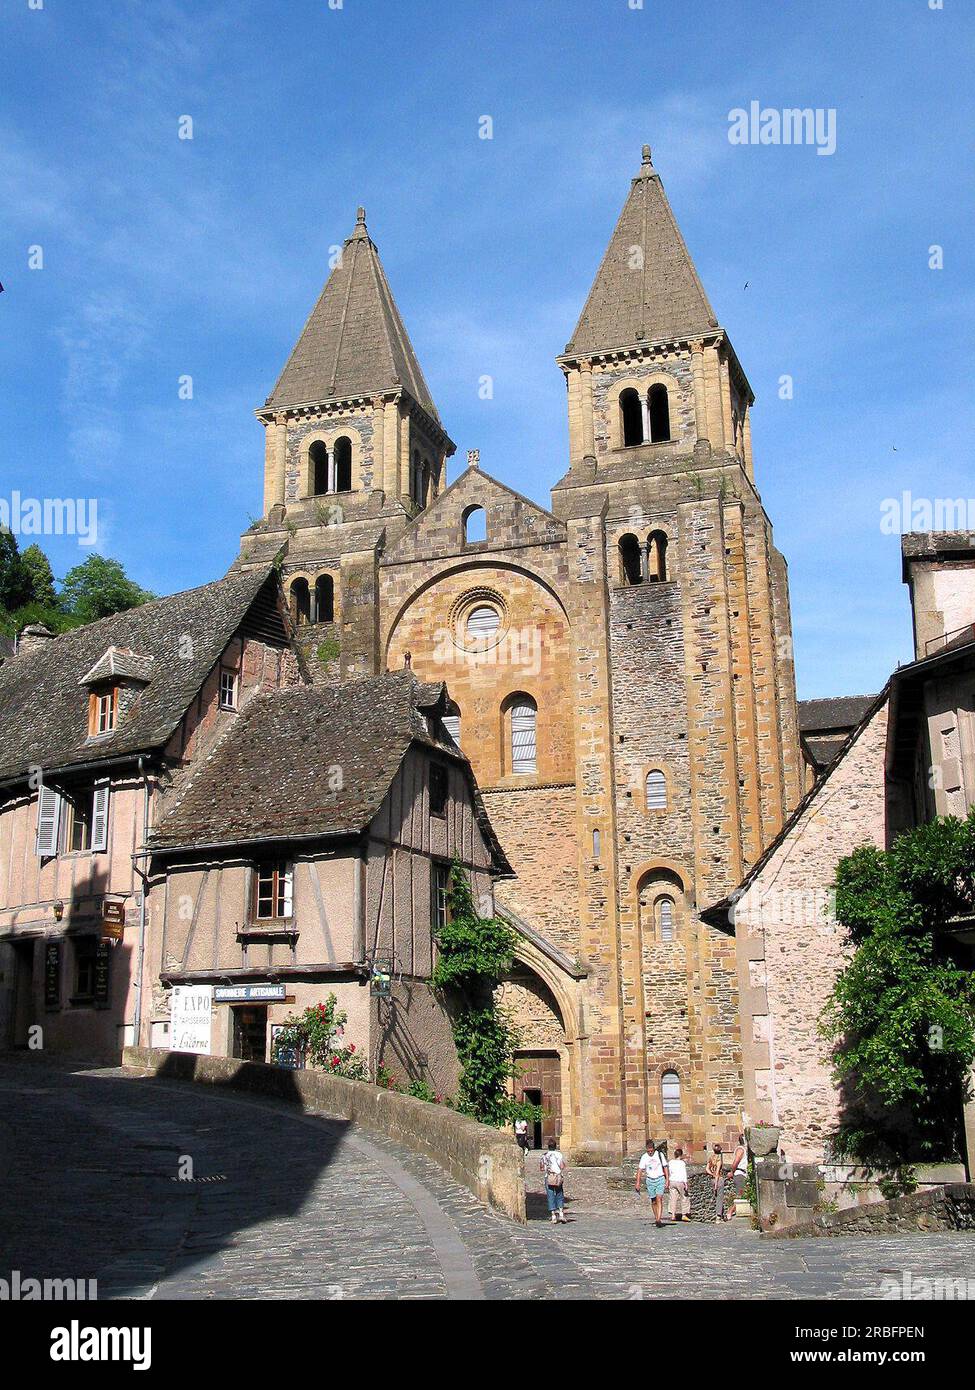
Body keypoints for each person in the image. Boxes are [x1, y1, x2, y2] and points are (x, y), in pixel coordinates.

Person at [635, 1139, 669, 1228]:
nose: (650, 1153)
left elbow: (665, 1167)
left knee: (659, 1198)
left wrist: (667, 1180)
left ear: (654, 1149)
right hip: (650, 1180)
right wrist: (638, 1182)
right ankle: (656, 1217)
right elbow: (640, 1170)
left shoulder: (659, 1155)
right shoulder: (644, 1157)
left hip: (660, 1178)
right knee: (653, 1201)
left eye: (651, 1151)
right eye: (648, 1151)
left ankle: (658, 1219)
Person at [540, 1138, 567, 1223]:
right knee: (559, 1194)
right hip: (558, 1176)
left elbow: (541, 1168)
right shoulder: (559, 1154)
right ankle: (561, 1214)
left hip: (548, 1176)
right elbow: (562, 1166)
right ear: (555, 1146)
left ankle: (553, 1216)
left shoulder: (544, 1155)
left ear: (548, 1147)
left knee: (550, 1195)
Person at [725, 1133, 748, 1221]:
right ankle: (730, 1212)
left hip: (742, 1174)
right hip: (739, 1174)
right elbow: (736, 1161)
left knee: (742, 1194)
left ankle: (732, 1211)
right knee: (741, 1195)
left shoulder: (742, 1149)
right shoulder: (740, 1149)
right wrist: (732, 1171)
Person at [668, 1146, 690, 1221]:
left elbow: (670, 1172)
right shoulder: (682, 1163)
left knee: (673, 1198)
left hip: (672, 1181)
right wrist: (686, 1184)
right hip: (680, 1181)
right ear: (681, 1155)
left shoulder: (670, 1162)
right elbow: (684, 1174)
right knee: (684, 1197)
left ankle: (673, 1215)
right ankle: (684, 1214)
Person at [707, 1144, 725, 1223]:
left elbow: (707, 1169)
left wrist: (711, 1174)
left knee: (715, 1197)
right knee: (719, 1198)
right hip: (719, 1180)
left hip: (712, 1179)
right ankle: (718, 1217)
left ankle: (717, 1215)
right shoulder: (719, 1160)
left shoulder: (711, 1158)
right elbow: (717, 1172)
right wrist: (716, 1184)